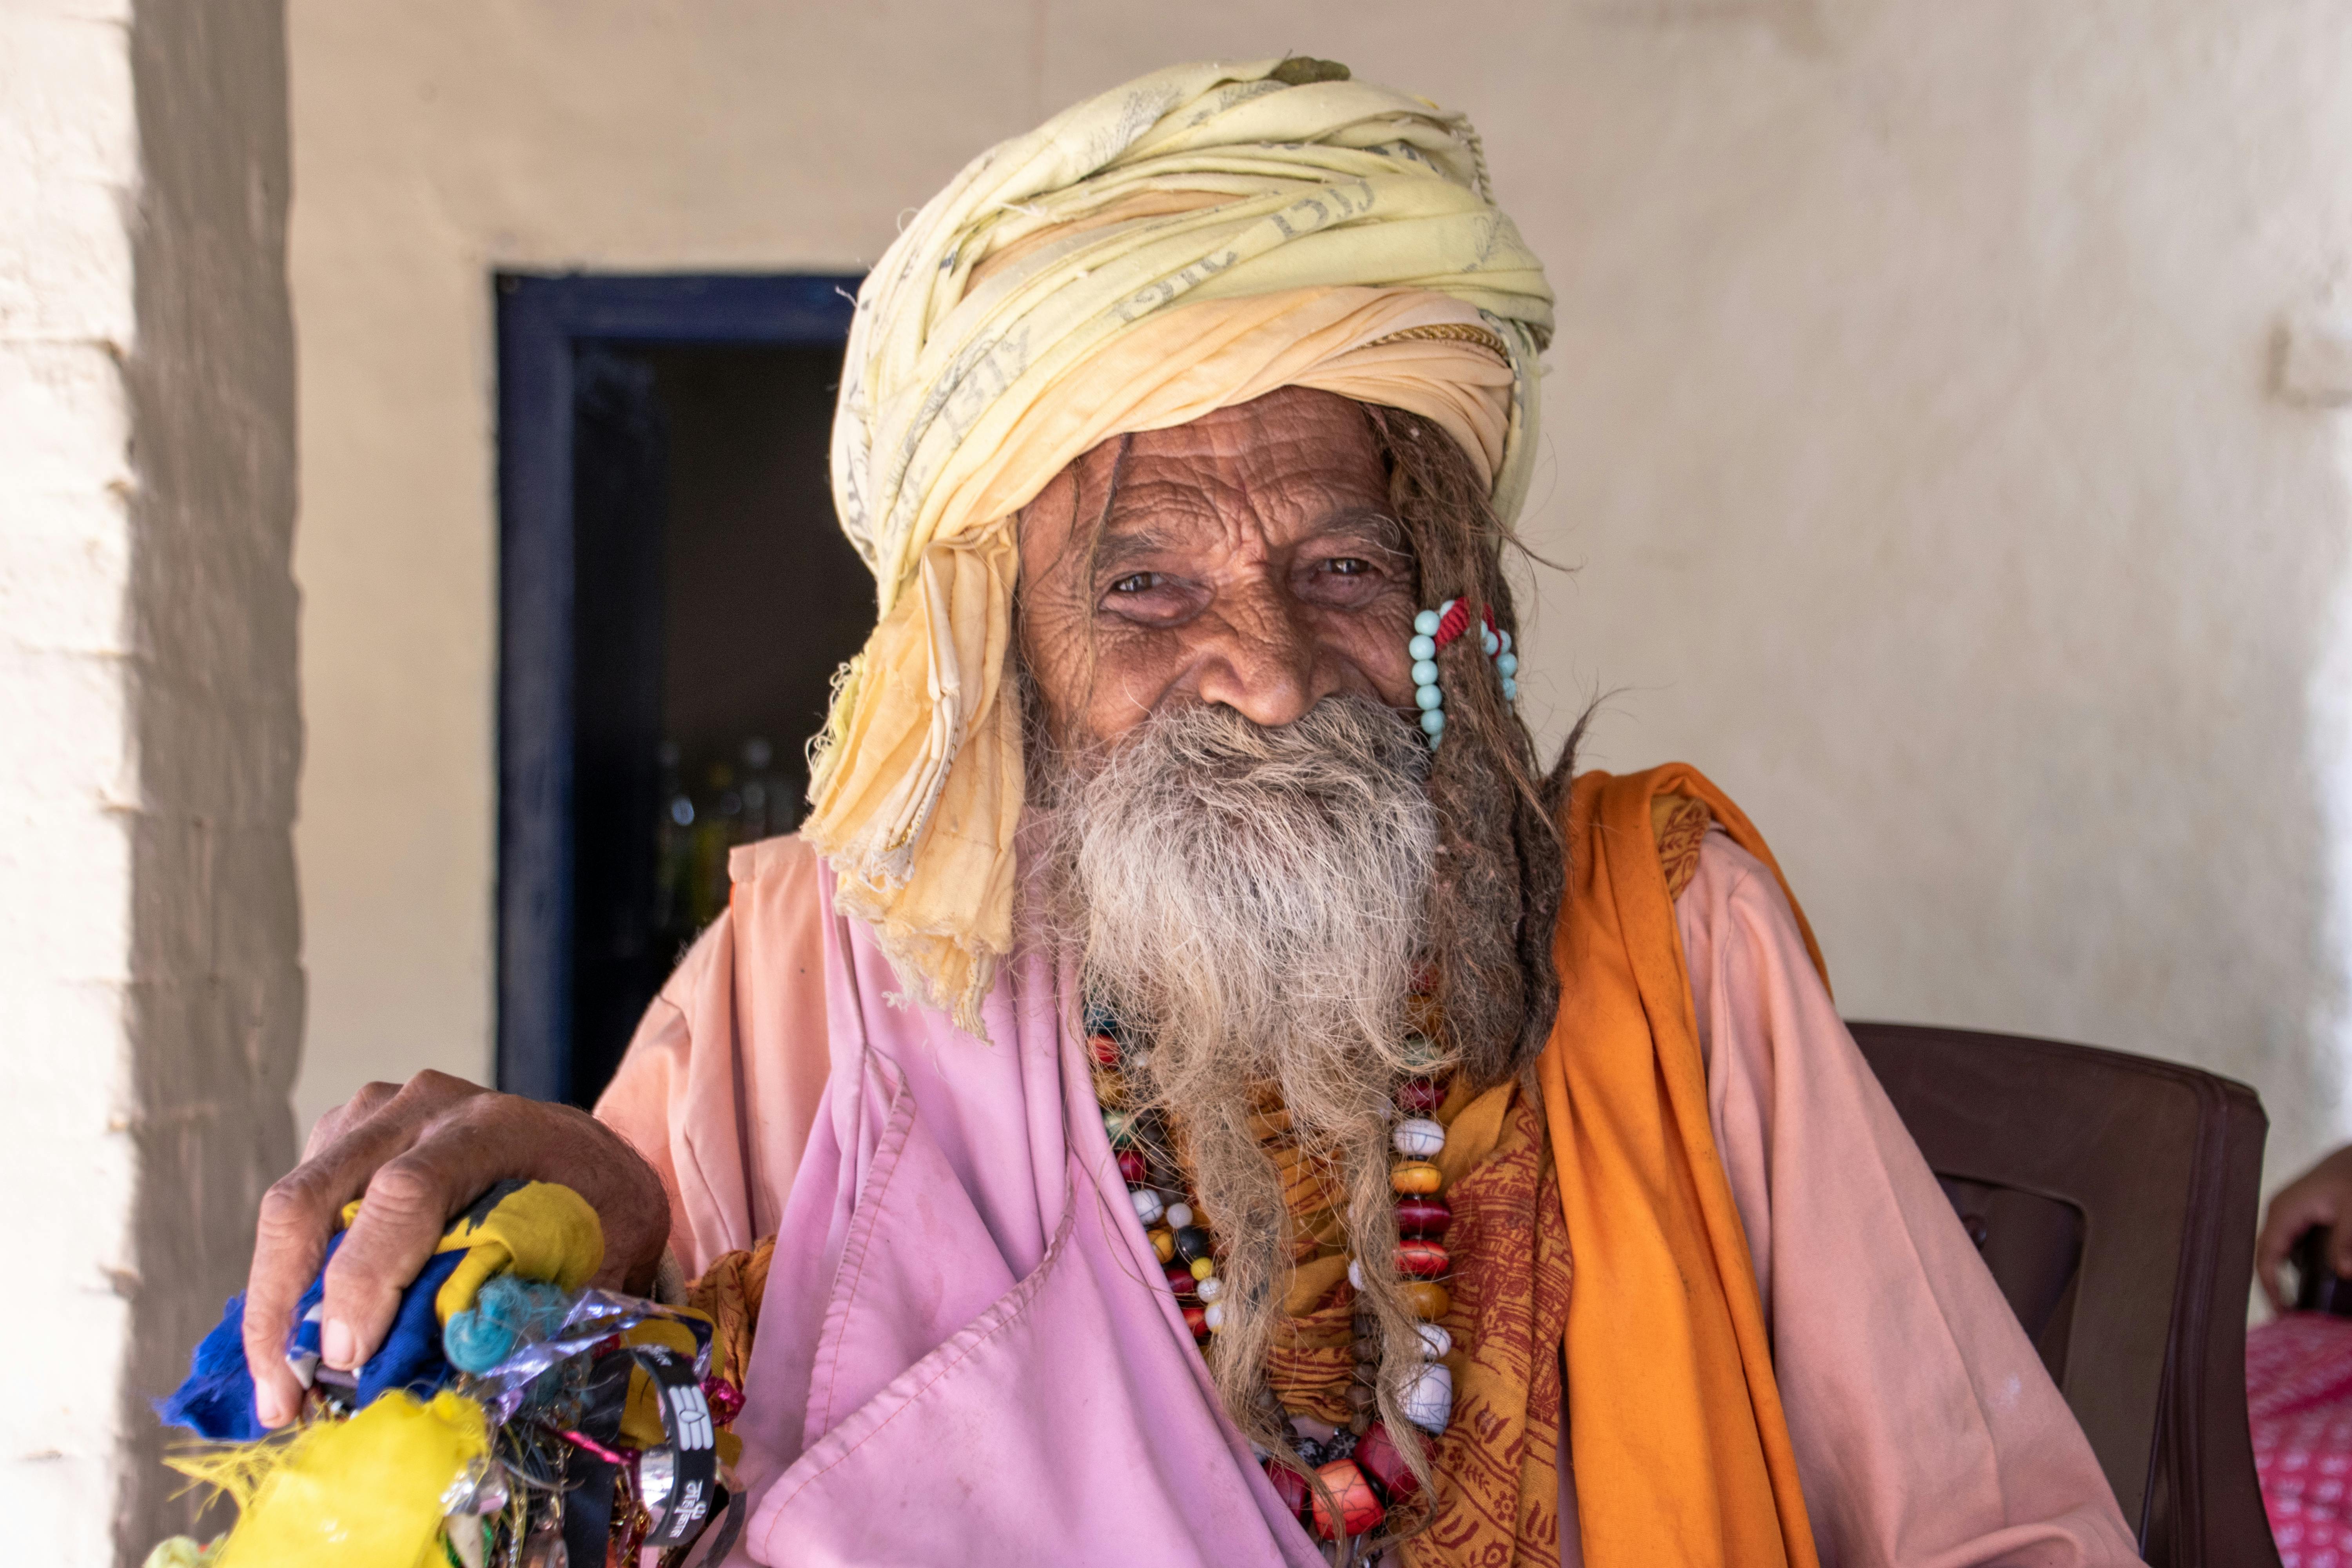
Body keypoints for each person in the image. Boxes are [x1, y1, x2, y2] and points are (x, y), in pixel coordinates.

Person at [239, 59, 2140, 1567]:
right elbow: (632, 1401)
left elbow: (1998, 1531)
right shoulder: (841, 954)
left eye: (1337, 566)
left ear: (1434, 610)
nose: (1267, 667)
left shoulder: (1663, 929)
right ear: (1010, 650)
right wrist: (606, 1209)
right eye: (1145, 589)